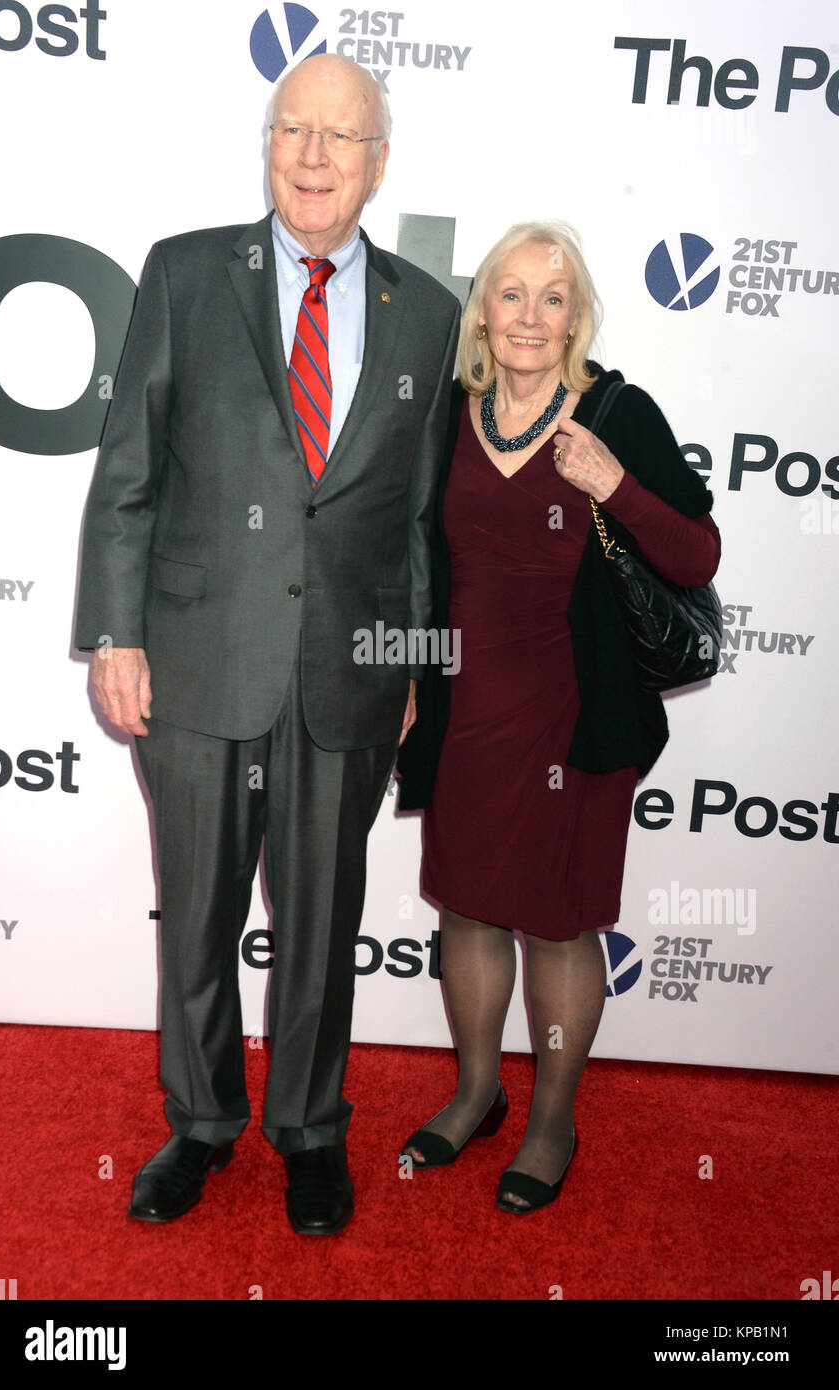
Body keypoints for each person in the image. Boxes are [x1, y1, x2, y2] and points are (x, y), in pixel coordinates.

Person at [73, 53, 460, 1234]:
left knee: (320, 923)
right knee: (193, 916)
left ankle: (307, 1127)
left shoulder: (428, 313)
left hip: (346, 676)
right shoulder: (188, 273)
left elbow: (415, 518)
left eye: (341, 138)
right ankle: (198, 1122)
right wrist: (113, 633)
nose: (313, 157)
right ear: (268, 146)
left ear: (378, 163)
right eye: (295, 131)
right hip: (194, 664)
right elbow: (128, 471)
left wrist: (406, 663)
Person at [396, 220, 721, 1213]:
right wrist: (411, 676)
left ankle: (552, 1117)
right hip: (466, 712)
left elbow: (698, 556)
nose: (531, 315)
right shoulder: (448, 417)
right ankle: (478, 1091)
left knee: (562, 926)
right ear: (482, 312)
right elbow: (410, 560)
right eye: (511, 293)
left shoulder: (618, 413)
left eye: (553, 295)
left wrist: (612, 484)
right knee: (469, 909)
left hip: (579, 719)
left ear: (577, 314)